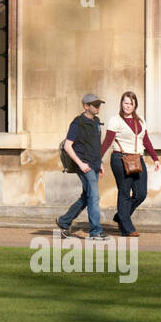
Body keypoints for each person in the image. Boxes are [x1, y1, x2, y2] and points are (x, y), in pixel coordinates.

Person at [98, 90, 160, 237]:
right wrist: (98, 159)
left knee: (141, 193)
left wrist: (155, 158)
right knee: (124, 192)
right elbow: (107, 141)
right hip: (120, 159)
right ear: (121, 103)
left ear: (135, 105)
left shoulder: (141, 120)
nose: (128, 106)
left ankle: (121, 216)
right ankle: (127, 228)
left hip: (138, 159)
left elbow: (146, 140)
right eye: (125, 103)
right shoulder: (115, 120)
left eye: (131, 103)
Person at [56, 93, 108, 239]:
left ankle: (64, 221)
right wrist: (80, 163)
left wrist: (101, 163)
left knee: (87, 197)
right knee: (94, 197)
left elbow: (95, 146)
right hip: (84, 166)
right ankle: (96, 232)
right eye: (95, 104)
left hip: (95, 164)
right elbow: (67, 146)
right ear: (86, 106)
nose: (98, 107)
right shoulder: (77, 122)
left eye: (99, 104)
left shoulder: (97, 122)